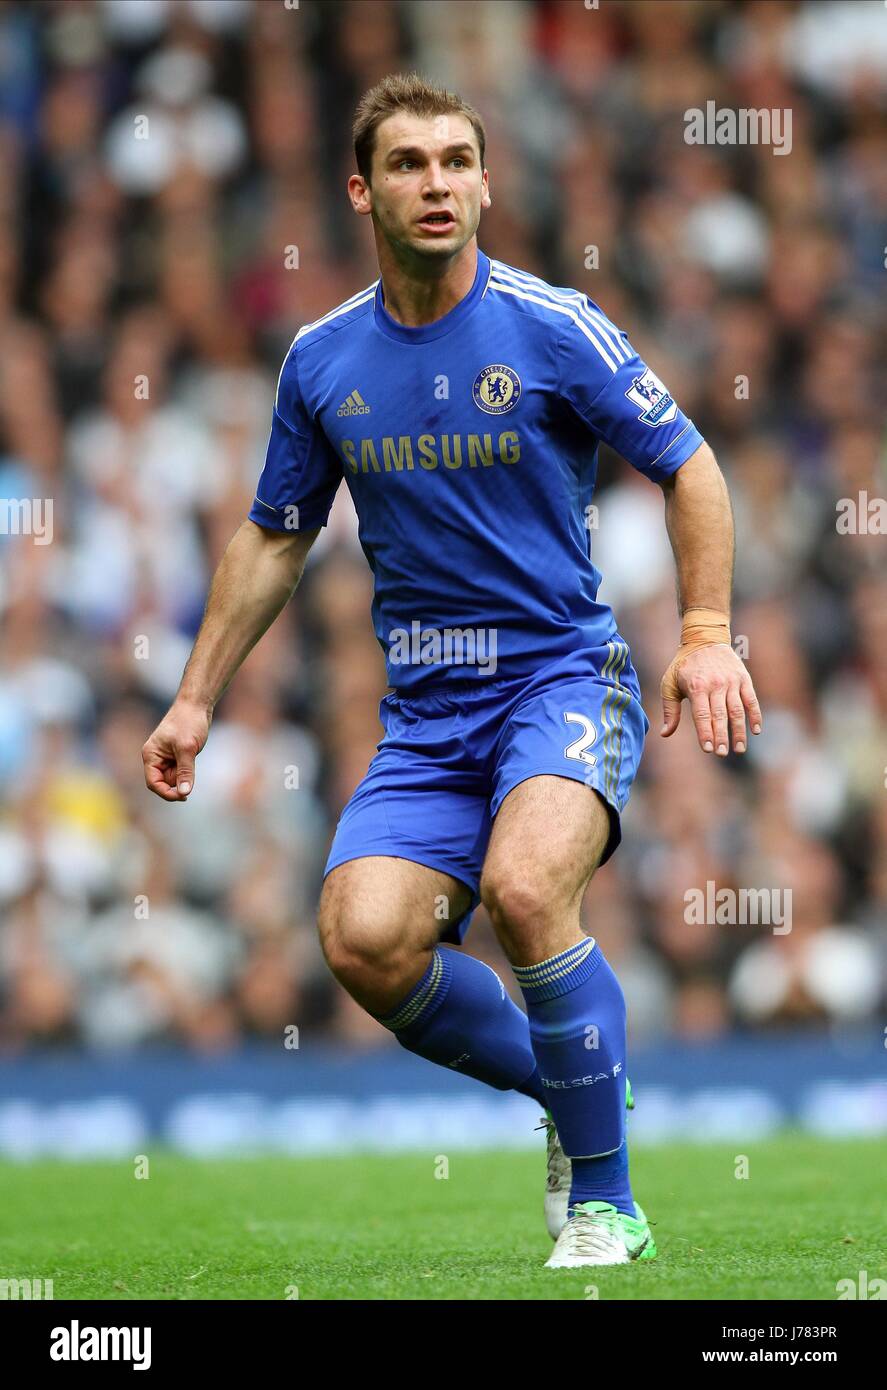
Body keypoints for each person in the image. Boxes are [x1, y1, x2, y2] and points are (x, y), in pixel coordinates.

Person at [142, 73, 762, 1268]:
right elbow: (276, 532)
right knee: (363, 938)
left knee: (527, 890)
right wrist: (193, 695)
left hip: (561, 680)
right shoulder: (323, 360)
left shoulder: (551, 325)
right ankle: (572, 1086)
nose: (438, 183)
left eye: (457, 161)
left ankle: (606, 1205)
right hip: (427, 716)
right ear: (362, 190)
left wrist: (702, 632)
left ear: (485, 182)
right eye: (412, 164)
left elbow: (688, 465)